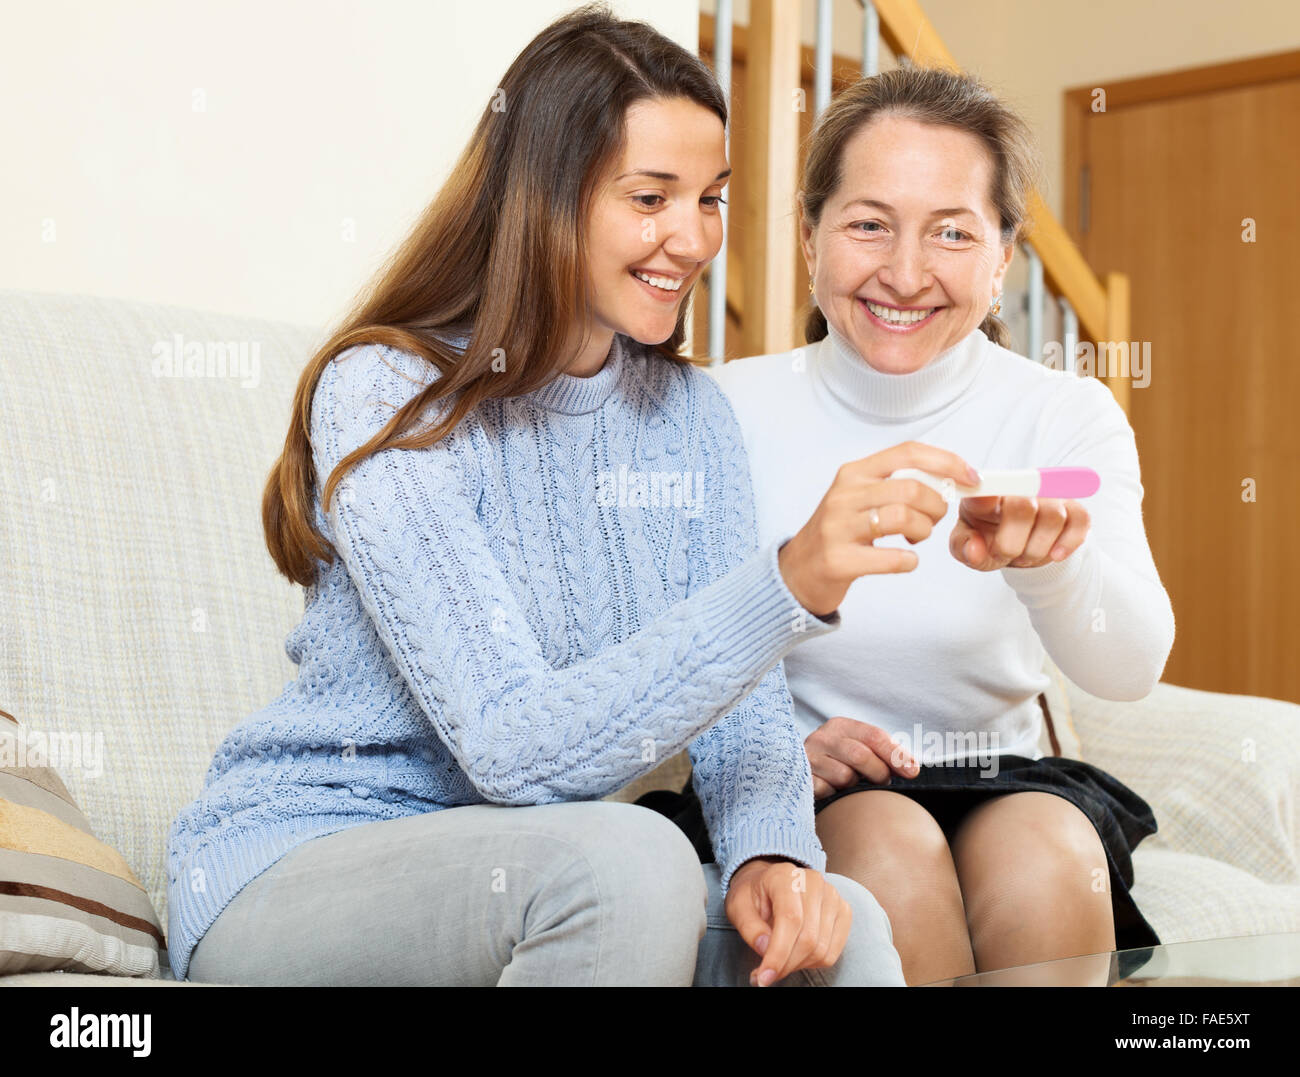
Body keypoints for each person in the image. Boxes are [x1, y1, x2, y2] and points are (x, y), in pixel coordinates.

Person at [164, 4, 907, 988]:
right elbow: (506, 752)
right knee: (625, 858)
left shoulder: (691, 419)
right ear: (544, 198)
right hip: (300, 866)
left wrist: (770, 850)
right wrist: (785, 584)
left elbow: (742, 709)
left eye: (711, 198)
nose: (690, 239)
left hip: (536, 873)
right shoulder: (387, 391)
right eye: (650, 199)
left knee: (841, 922)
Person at [657, 67, 1175, 986]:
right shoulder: (717, 412)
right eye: (868, 224)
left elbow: (1129, 669)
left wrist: (1049, 567)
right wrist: (771, 746)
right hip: (815, 785)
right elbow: (646, 663)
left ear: (1003, 254)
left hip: (1004, 773)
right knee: (887, 840)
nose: (904, 273)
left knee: (1055, 852)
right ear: (810, 235)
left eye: (951, 232)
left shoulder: (1064, 417)